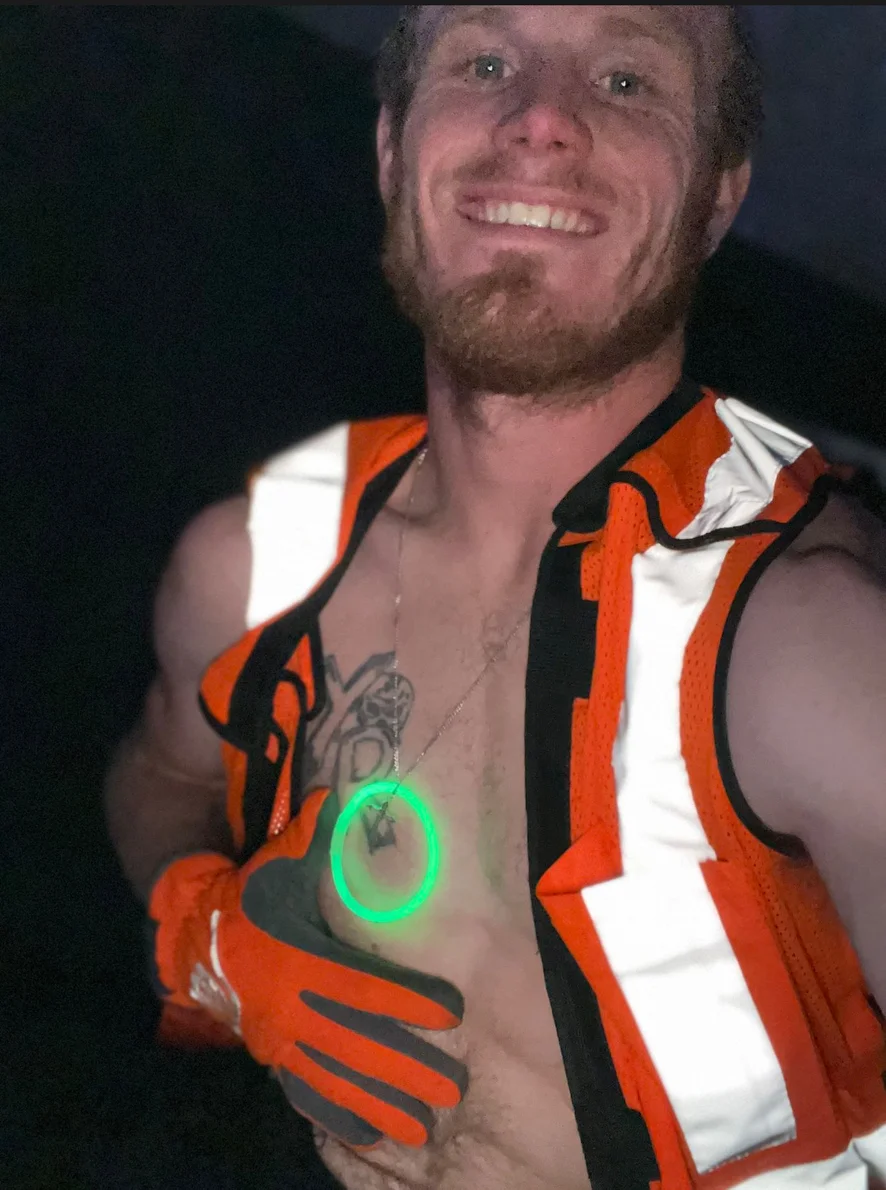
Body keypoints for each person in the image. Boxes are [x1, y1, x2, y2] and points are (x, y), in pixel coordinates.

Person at [104, 7, 886, 1190]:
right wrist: (205, 928)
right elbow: (157, 779)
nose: (539, 117)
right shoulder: (257, 563)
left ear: (717, 195)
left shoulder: (810, 649)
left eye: (624, 78)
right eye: (482, 60)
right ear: (391, 150)